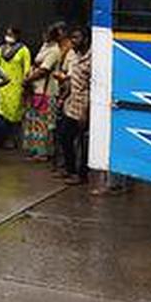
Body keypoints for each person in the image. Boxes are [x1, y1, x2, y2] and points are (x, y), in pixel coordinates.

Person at [22, 23, 66, 161]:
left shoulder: (54, 50)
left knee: (44, 124)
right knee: (34, 122)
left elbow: (44, 70)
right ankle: (35, 150)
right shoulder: (45, 47)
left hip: (46, 91)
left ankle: (44, 153)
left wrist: (28, 79)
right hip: (36, 89)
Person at [55, 27, 92, 185]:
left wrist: (86, 111)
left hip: (84, 105)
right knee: (65, 136)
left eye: (77, 38)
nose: (73, 41)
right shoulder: (75, 56)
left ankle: (81, 174)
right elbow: (71, 79)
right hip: (71, 103)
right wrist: (63, 97)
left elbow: (93, 86)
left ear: (86, 39)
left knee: (83, 143)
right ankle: (70, 169)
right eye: (72, 38)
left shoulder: (93, 58)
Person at [0, 26, 30, 146]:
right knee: (1, 112)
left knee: (14, 114)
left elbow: (27, 69)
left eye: (11, 34)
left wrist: (25, 84)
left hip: (16, 86)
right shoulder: (1, 49)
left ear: (17, 36)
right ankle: (1, 139)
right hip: (2, 86)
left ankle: (13, 140)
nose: (9, 37)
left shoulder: (24, 50)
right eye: (7, 34)